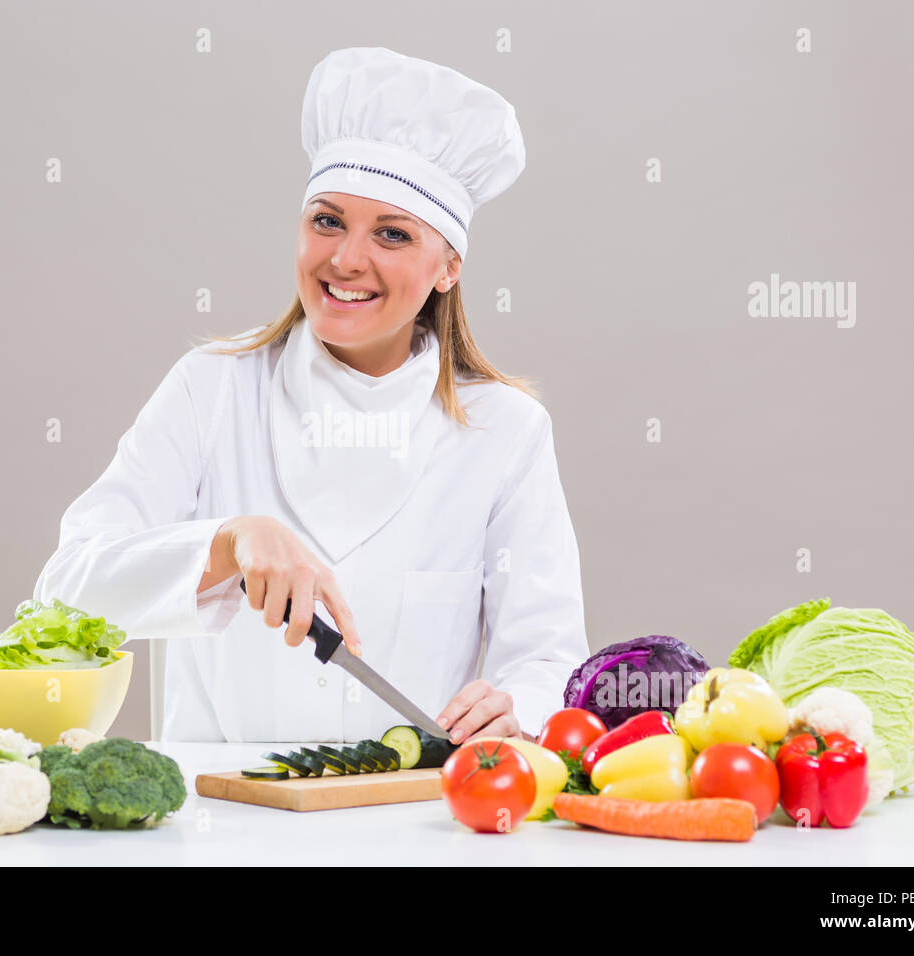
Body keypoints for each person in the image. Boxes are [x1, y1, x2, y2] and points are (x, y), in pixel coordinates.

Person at [32, 47, 588, 745]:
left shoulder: (506, 431)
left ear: (448, 266)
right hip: (219, 825)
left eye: (391, 233)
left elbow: (546, 657)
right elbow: (66, 591)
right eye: (327, 220)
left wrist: (520, 706)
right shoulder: (212, 389)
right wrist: (225, 544)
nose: (347, 259)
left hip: (412, 827)